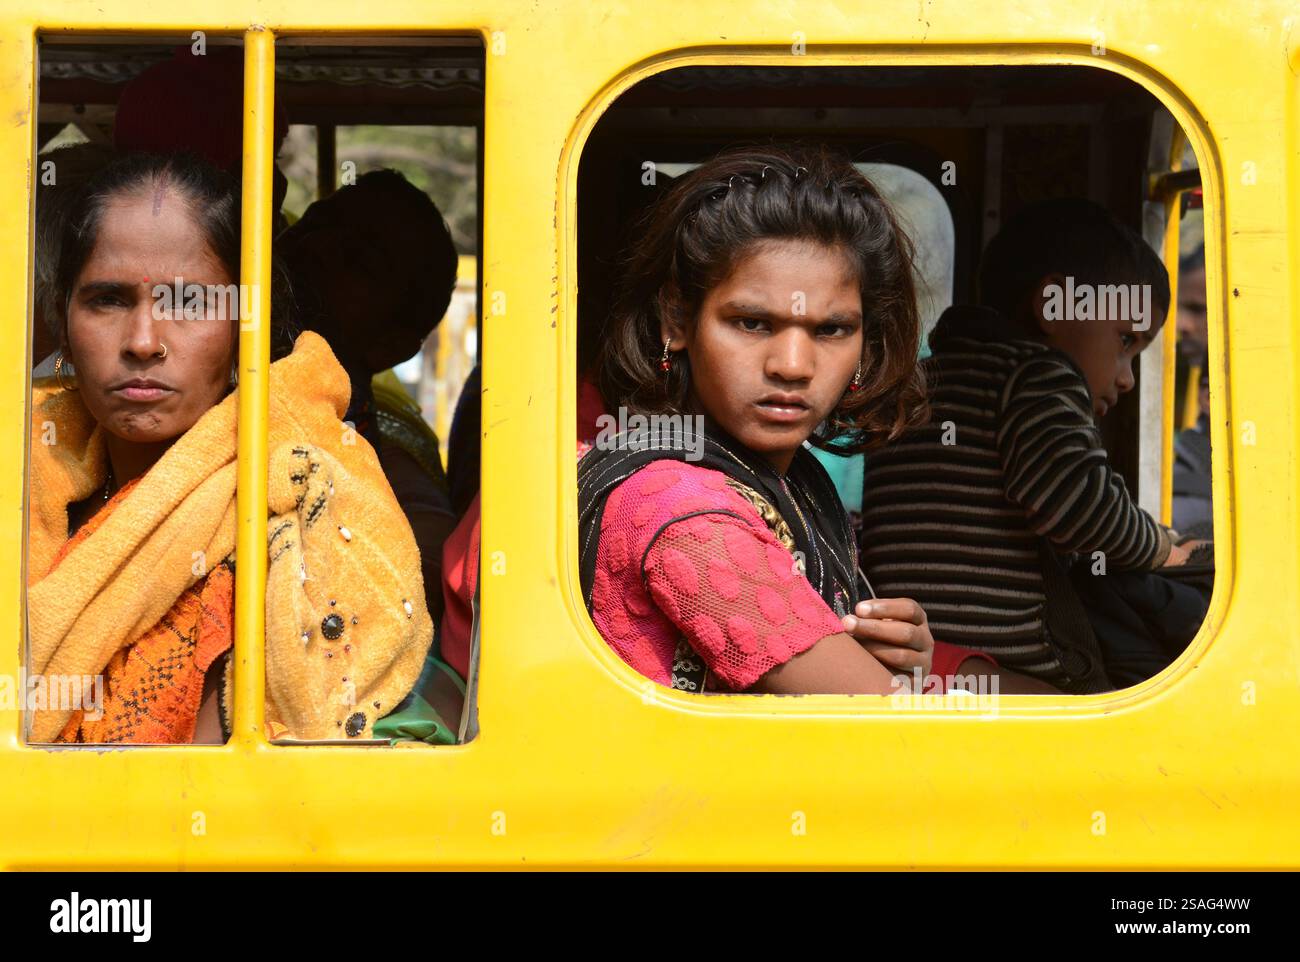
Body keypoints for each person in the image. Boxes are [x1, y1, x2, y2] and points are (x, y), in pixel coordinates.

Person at [578, 144, 1023, 696]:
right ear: (677, 319)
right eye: (751, 323)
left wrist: (908, 662)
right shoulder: (682, 510)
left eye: (831, 330)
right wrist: (905, 684)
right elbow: (891, 727)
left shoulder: (792, 483)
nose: (792, 366)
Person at [28, 151, 432, 744]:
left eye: (189, 303)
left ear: (250, 323)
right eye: (108, 300)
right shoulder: (29, 483)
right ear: (63, 320)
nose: (143, 341)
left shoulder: (293, 522)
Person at [860, 198, 1203, 692]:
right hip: (1013, 662)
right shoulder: (1037, 375)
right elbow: (1079, 509)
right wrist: (1161, 548)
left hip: (910, 648)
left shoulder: (916, 382)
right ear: (1054, 307)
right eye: (1126, 342)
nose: (1127, 379)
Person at [279, 168, 460, 624]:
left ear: (393, 348)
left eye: (358, 261)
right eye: (318, 220)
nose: (316, 249)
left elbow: (425, 545)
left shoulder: (377, 440)